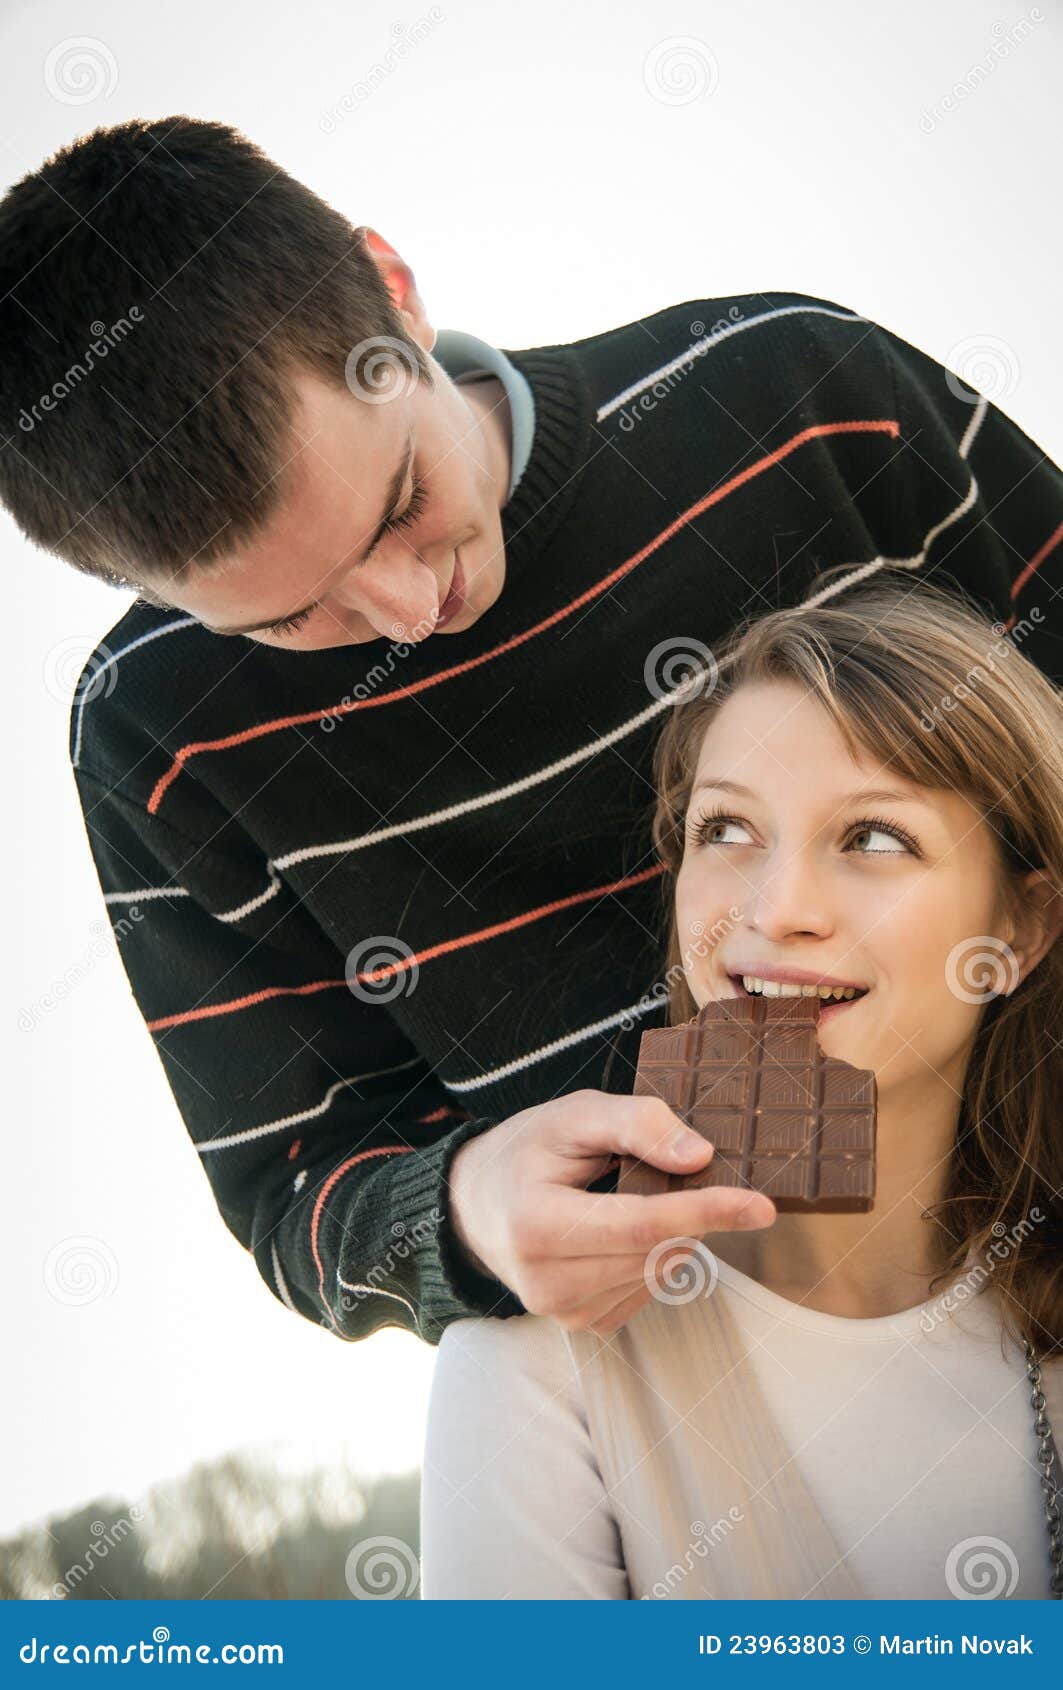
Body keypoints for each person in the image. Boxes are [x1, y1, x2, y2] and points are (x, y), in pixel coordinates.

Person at [2, 114, 1060, 1347]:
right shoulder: (154, 733)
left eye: (402, 502)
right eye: (293, 617)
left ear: (391, 292)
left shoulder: (798, 396)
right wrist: (460, 1212)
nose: (409, 606)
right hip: (690, 1392)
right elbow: (297, 1191)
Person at [421, 577, 1063, 1599]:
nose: (776, 907)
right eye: (725, 830)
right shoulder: (537, 1370)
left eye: (873, 838)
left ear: (1020, 929)